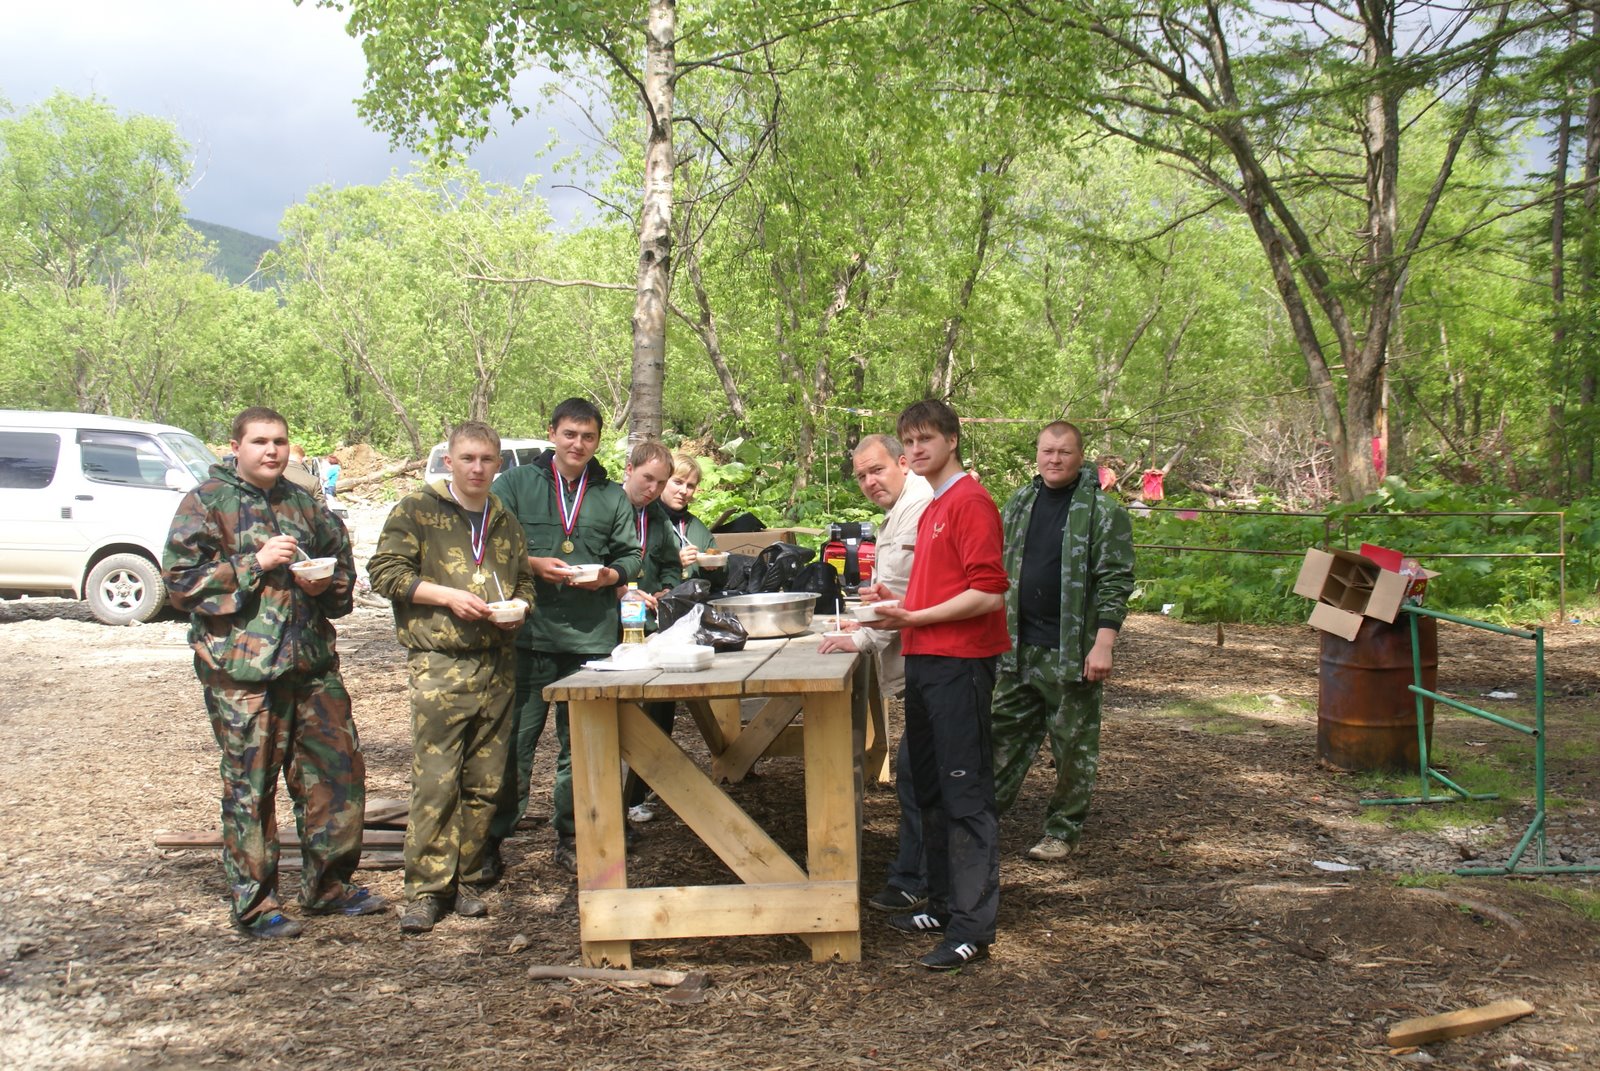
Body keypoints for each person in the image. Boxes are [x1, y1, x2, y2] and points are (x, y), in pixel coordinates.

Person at [162, 406, 385, 939]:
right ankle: (256, 904)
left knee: (336, 775)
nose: (272, 451)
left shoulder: (304, 503)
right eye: (260, 441)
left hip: (310, 665)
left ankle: (328, 886)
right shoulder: (206, 503)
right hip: (242, 672)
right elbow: (180, 584)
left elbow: (341, 574)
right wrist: (253, 564)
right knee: (251, 785)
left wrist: (323, 586)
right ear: (234, 447)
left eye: (280, 441)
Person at [367, 421, 537, 933]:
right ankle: (424, 889)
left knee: (485, 782)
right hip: (441, 663)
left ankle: (467, 878)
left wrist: (522, 604)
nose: (478, 468)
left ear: (498, 464)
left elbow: (523, 576)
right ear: (449, 462)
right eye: (468, 459)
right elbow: (384, 572)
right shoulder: (417, 511)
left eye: (487, 460)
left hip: (497, 661)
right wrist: (446, 596)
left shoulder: (504, 517)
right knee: (437, 781)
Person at [867, 400, 1010, 971]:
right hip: (924, 661)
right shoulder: (932, 508)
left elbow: (989, 594)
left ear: (953, 440)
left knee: (965, 795)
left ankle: (973, 927)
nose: (916, 449)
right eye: (910, 440)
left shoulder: (971, 502)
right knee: (923, 784)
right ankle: (945, 904)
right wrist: (899, 605)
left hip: (959, 666)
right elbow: (939, 594)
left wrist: (915, 619)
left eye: (927, 438)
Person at [488, 398, 641, 875]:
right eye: (570, 434)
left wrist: (611, 577)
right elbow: (491, 545)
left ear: (597, 442)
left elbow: (631, 556)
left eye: (589, 437)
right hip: (528, 635)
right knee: (513, 741)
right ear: (552, 432)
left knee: (582, 748)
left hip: (590, 641)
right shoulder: (514, 484)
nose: (579, 444)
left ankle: (574, 835)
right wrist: (531, 565)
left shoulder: (611, 495)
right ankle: (492, 841)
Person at [992, 421, 1135, 860]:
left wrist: (1104, 642)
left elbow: (1115, 580)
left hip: (1071, 651)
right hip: (1017, 648)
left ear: (1080, 457)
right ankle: (981, 818)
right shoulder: (1019, 503)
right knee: (1000, 735)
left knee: (1072, 745)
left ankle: (1062, 830)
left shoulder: (1102, 512)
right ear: (1037, 453)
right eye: (1047, 451)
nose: (1054, 459)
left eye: (1065, 452)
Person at [817, 434, 933, 912]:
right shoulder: (903, 507)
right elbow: (895, 591)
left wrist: (862, 636)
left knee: (921, 774)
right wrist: (862, 617)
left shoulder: (920, 505)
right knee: (921, 772)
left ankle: (919, 880)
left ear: (903, 463)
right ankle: (921, 875)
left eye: (876, 470)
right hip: (925, 656)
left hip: (938, 658)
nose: (869, 481)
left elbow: (904, 595)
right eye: (862, 475)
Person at [615, 441, 684, 822]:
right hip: (612, 623)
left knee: (660, 705)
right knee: (619, 712)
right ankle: (614, 795)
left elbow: (670, 564)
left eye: (660, 483)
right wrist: (623, 589)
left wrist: (668, 588)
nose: (653, 489)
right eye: (647, 479)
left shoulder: (658, 516)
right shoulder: (606, 505)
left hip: (653, 621)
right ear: (629, 470)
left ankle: (642, 791)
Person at [659, 454, 728, 588]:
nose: (684, 491)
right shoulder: (646, 520)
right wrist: (675, 562)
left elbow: (720, 580)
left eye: (690, 486)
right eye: (678, 482)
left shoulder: (696, 526)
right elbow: (637, 571)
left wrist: (712, 568)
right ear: (663, 481)